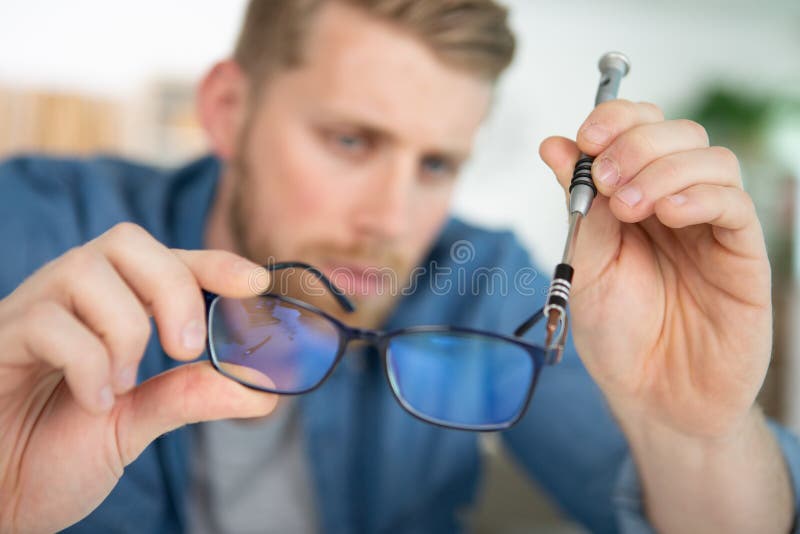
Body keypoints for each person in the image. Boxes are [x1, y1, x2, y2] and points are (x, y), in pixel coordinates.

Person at [0, 0, 798, 532]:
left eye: (436, 164)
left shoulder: (482, 285)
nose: (392, 219)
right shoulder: (32, 228)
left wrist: (696, 436)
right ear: (227, 111)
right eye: (352, 141)